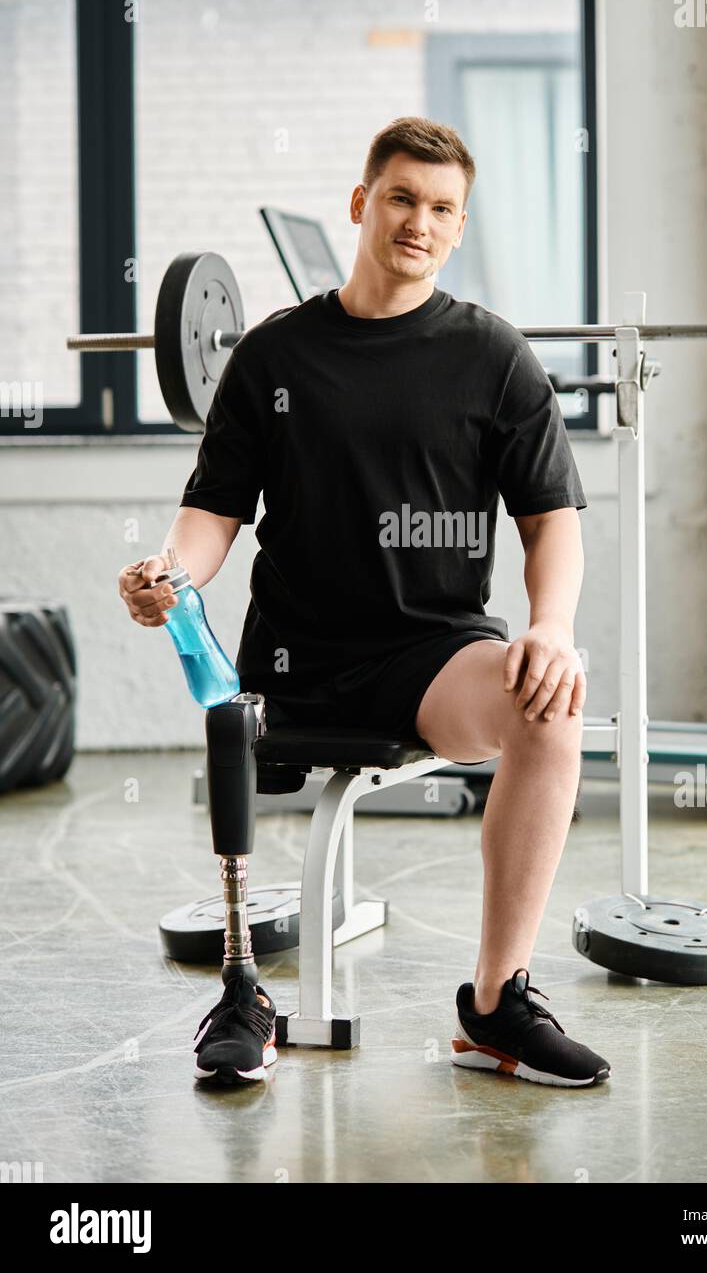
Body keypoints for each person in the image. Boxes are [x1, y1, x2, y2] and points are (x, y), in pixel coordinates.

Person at [119, 116, 611, 1090]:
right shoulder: (272, 356)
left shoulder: (493, 357)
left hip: (431, 656)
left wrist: (550, 627)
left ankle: (493, 1002)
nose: (416, 222)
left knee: (549, 705)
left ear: (457, 227)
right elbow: (215, 510)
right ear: (360, 203)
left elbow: (550, 519)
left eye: (439, 208)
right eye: (399, 198)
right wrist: (173, 569)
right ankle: (244, 990)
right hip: (295, 659)